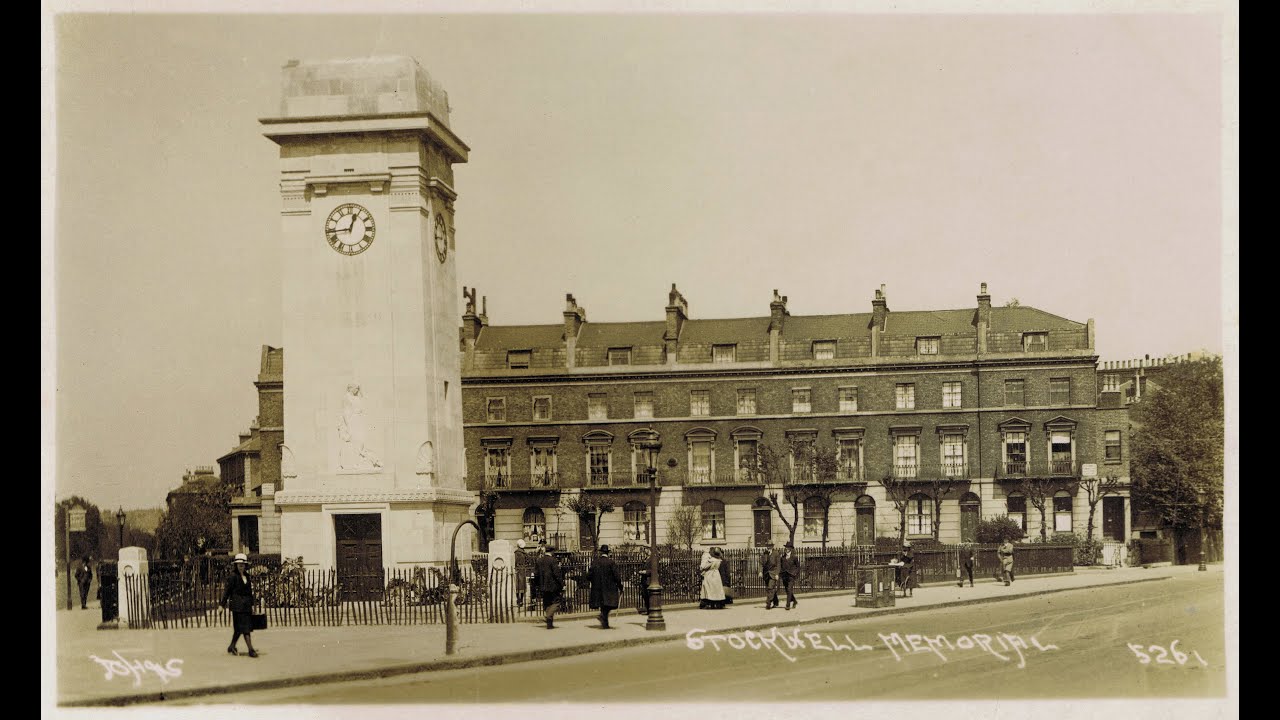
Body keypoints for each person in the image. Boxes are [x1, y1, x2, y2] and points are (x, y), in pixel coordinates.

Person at [219, 553, 258, 657]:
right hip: (237, 606)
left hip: (246, 606)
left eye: (243, 564)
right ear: (236, 565)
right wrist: (221, 605)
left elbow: (249, 592)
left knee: (239, 629)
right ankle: (251, 650)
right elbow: (227, 591)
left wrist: (252, 605)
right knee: (245, 628)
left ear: (245, 565)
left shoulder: (247, 576)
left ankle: (232, 646)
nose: (241, 566)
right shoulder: (233, 577)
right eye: (239, 564)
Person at [587, 545, 624, 629]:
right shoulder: (611, 562)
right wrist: (620, 586)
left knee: (603, 605)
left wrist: (594, 581)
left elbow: (589, 576)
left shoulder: (595, 562)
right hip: (609, 588)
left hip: (598, 588)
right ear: (608, 553)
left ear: (600, 552)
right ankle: (604, 620)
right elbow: (616, 576)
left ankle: (604, 621)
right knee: (609, 604)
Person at [532, 544, 564, 629]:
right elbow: (557, 574)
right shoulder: (553, 560)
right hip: (553, 586)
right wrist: (562, 584)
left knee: (547, 603)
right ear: (552, 551)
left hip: (543, 585)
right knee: (557, 602)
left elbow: (536, 574)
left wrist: (537, 585)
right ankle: (548, 616)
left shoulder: (539, 560)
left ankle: (549, 624)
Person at [779, 541, 802, 610]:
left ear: (791, 549)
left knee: (789, 589)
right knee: (787, 590)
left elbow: (798, 567)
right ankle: (794, 601)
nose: (786, 549)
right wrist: (780, 573)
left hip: (791, 576)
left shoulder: (794, 557)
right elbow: (781, 566)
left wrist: (795, 573)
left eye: (788, 548)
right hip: (784, 576)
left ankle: (788, 605)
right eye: (786, 548)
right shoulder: (782, 557)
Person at [761, 543, 781, 609]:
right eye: (767, 546)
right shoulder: (764, 553)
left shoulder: (776, 553)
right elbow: (761, 563)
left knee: (770, 588)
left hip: (773, 573)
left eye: (770, 546)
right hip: (766, 574)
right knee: (769, 589)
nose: (768, 547)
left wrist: (777, 574)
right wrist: (760, 571)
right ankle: (776, 602)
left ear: (772, 546)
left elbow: (778, 565)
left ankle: (768, 603)